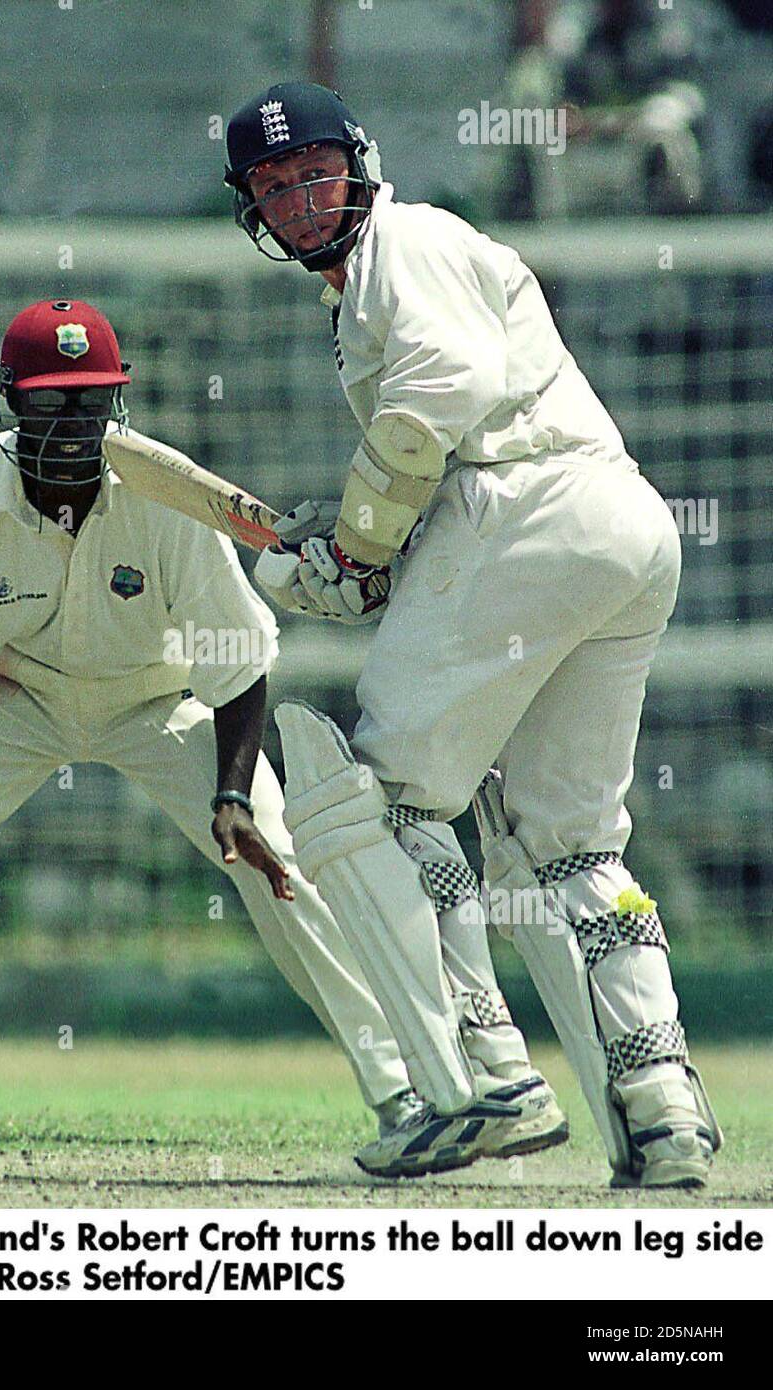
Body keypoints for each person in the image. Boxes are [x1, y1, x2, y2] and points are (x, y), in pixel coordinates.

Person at [0, 297, 447, 1160]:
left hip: (155, 698)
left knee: (281, 858)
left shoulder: (166, 494)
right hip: (13, 698)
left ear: (118, 405)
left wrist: (230, 794)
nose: (70, 425)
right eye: (48, 401)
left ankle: (406, 1087)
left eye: (89, 402)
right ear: (9, 401)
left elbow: (238, 654)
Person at [223, 81, 721, 1189]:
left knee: (378, 800)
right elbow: (431, 449)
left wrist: (350, 554)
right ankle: (658, 1108)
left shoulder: (411, 241)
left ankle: (483, 1079)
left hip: (526, 513)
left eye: (314, 173)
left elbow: (430, 410)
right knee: (571, 842)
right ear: (249, 209)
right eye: (274, 186)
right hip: (613, 528)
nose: (302, 199)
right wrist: (368, 555)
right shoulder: (374, 279)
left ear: (357, 164)